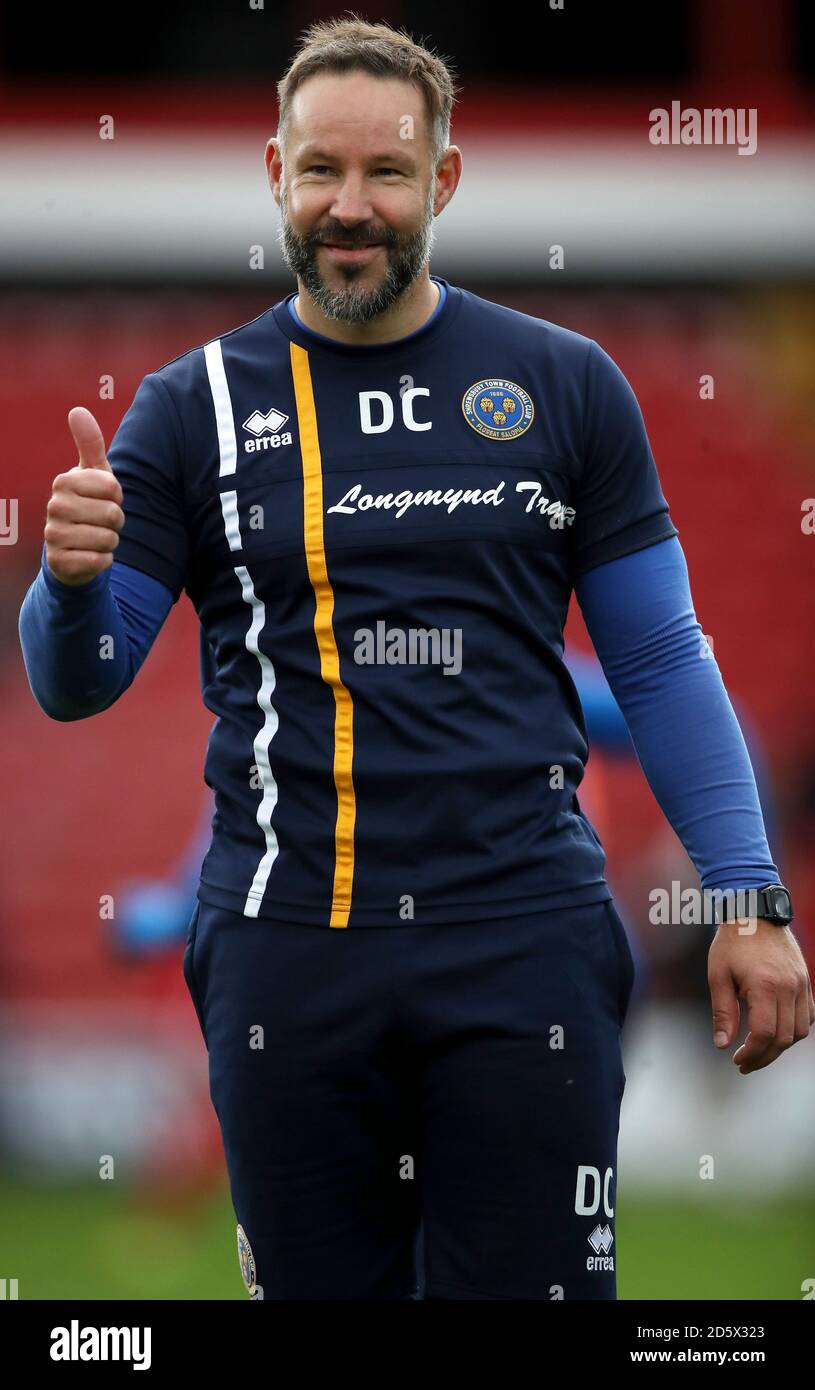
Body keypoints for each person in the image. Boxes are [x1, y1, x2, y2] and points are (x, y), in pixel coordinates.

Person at [18, 17, 813, 1301]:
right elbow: (80, 680)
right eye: (319, 170)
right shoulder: (191, 407)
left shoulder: (564, 388)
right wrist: (65, 589)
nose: (350, 206)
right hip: (289, 952)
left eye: (384, 173)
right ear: (273, 173)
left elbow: (661, 660)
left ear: (440, 182)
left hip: (524, 951)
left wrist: (746, 893)